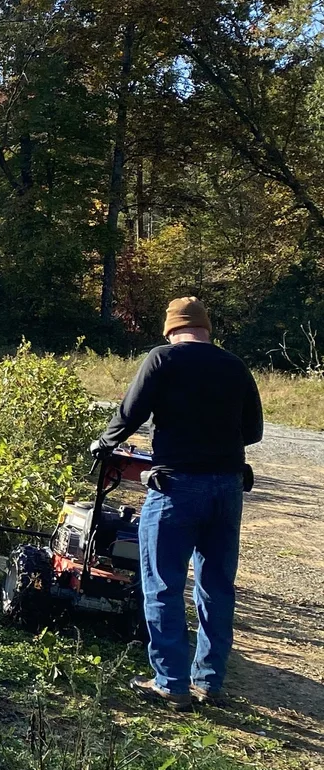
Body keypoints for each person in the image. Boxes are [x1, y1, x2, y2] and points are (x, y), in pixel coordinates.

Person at [96, 296, 263, 708]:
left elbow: (130, 412)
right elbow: (254, 431)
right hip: (227, 488)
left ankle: (170, 683)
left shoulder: (162, 359)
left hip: (176, 487)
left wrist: (105, 442)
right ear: (207, 328)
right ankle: (209, 681)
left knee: (163, 583)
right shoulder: (235, 365)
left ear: (170, 329)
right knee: (217, 587)